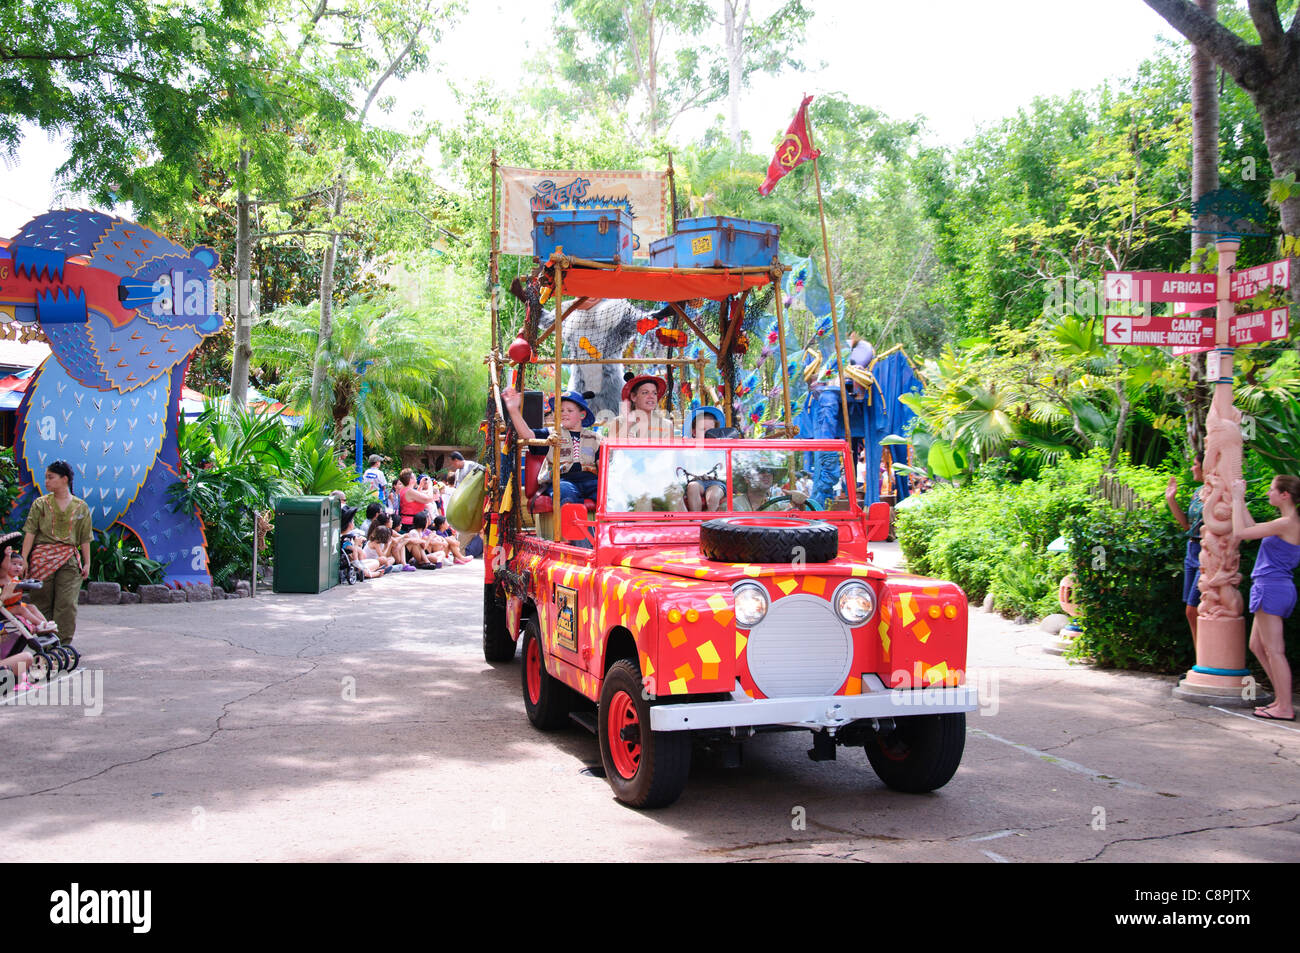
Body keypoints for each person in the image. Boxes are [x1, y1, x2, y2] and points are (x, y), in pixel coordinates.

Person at [1232, 475, 1300, 721]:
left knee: (1274, 650)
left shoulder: (1286, 522)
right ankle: (1281, 700)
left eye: (1272, 489)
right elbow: (1252, 530)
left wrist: (1238, 498)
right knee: (1258, 646)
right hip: (1274, 587)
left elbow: (1240, 532)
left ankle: (1285, 706)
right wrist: (1241, 504)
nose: (1268, 493)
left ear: (1285, 495)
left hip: (1271, 587)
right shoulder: (1286, 522)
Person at [21, 460, 92, 645]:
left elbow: (85, 537)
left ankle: (63, 644)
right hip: (41, 558)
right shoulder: (40, 504)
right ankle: (45, 644)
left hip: (69, 559)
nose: (46, 481)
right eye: (46, 477)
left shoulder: (81, 506)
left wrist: (87, 562)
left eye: (50, 477)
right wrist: (24, 559)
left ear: (64, 479)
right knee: (41, 603)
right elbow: (30, 532)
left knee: (67, 604)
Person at [503, 386, 601, 507]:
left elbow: (602, 465)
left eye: (569, 411)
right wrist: (513, 410)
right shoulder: (552, 434)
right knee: (565, 492)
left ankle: (614, 524)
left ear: (582, 415)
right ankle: (571, 525)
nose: (564, 414)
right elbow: (527, 435)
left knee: (607, 493)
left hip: (590, 481)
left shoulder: (595, 438)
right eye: (561, 410)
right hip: (563, 480)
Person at [1167, 457, 1205, 648]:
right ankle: (1200, 660)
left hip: (1207, 551)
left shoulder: (1217, 494)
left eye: (1196, 464)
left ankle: (1204, 661)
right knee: (1191, 610)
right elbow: (1186, 525)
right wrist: (1171, 499)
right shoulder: (1197, 493)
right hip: (1192, 549)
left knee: (1193, 609)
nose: (1192, 468)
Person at [608, 374, 675, 441]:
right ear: (633, 397)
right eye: (645, 392)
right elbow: (610, 449)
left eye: (654, 393)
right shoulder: (617, 422)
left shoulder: (667, 425)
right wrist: (627, 425)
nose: (651, 396)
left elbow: (669, 451)